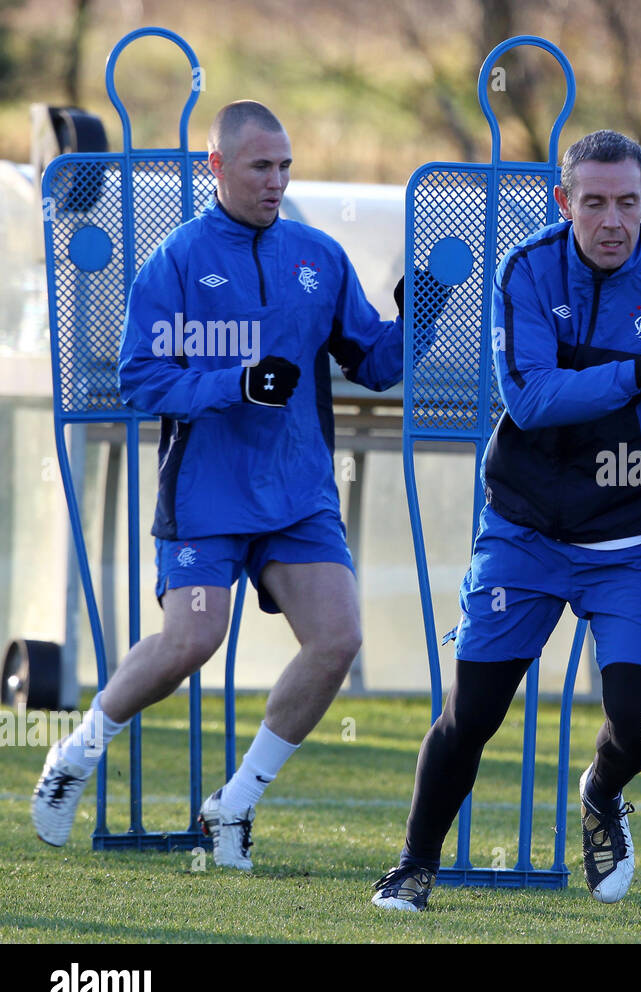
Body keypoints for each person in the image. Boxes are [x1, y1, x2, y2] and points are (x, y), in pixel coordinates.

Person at [372, 129, 641, 911]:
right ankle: (414, 864)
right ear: (564, 201)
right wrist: (640, 371)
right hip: (527, 530)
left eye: (628, 201)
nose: (612, 219)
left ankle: (602, 790)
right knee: (471, 714)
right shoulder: (526, 270)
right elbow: (532, 399)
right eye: (594, 201)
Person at [32, 100, 425, 870]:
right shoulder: (176, 261)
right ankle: (74, 755)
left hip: (298, 493)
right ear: (216, 167)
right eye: (259, 167)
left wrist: (420, 317)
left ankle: (235, 804)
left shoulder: (318, 254)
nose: (276, 181)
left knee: (338, 637)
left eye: (284, 166)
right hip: (207, 495)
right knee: (193, 639)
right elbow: (140, 377)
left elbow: (375, 364)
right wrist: (235, 382)